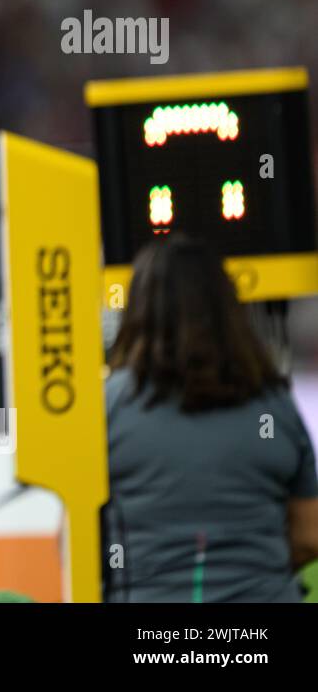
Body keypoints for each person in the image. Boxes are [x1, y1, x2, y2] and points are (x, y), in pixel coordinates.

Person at [103, 233, 318, 601]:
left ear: (137, 309)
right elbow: (309, 536)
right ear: (230, 309)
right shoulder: (274, 403)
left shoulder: (107, 405)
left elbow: (77, 539)